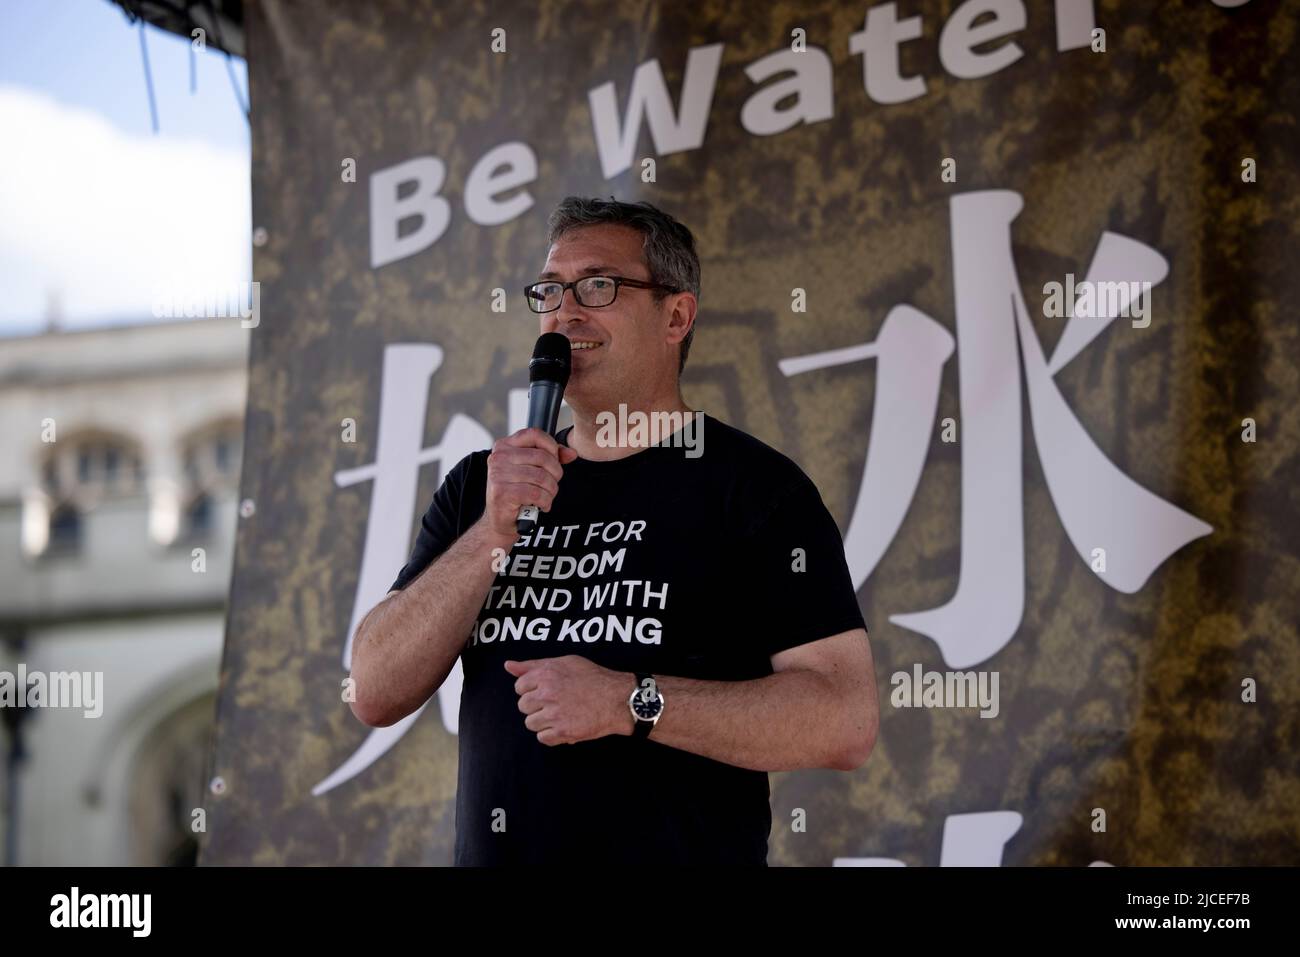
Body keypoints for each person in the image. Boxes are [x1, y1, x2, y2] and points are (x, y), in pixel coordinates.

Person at [349, 196, 878, 865]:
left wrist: (631, 700)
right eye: (550, 290)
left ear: (676, 315)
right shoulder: (482, 487)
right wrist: (490, 534)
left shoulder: (754, 490)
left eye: (599, 285)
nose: (565, 312)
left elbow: (845, 718)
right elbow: (372, 688)